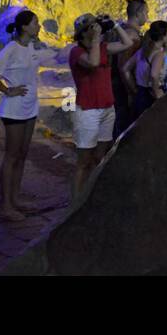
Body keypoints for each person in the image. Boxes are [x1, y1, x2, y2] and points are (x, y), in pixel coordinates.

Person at [0, 10, 60, 220]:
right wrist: (7, 90)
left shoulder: (31, 48)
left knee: (22, 155)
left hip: (30, 108)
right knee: (11, 156)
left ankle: (15, 199)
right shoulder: (12, 48)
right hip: (14, 109)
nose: (39, 26)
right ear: (24, 27)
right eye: (35, 23)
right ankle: (5, 205)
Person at [67, 15, 118, 203]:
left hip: (106, 109)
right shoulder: (76, 52)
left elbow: (128, 42)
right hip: (88, 111)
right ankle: (76, 202)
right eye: (92, 27)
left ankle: (92, 198)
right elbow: (94, 62)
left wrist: (115, 24)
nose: (96, 28)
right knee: (84, 161)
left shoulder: (103, 48)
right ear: (83, 32)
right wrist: (96, 38)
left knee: (100, 158)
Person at [122, 20, 167, 123]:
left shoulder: (142, 51)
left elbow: (125, 69)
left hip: (140, 94)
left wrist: (134, 89)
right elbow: (154, 75)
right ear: (163, 36)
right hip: (150, 97)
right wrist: (157, 92)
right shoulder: (159, 54)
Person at [112, 0, 145, 135]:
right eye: (146, 12)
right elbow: (123, 65)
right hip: (124, 89)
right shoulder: (131, 34)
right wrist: (132, 91)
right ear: (138, 13)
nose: (147, 16)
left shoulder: (122, 31)